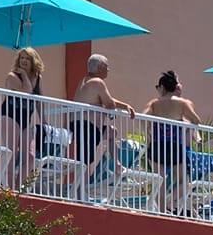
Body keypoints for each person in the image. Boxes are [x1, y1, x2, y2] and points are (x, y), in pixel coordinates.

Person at [143, 70, 202, 213]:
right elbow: (196, 120)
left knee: (160, 181)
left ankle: (162, 211)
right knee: (184, 181)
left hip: (157, 146)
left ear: (163, 87)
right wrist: (184, 124)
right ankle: (170, 201)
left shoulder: (154, 103)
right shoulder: (182, 103)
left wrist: (149, 132)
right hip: (175, 147)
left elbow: (143, 117)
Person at [71, 54, 136, 173]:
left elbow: (106, 99)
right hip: (87, 126)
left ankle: (116, 164)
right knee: (85, 161)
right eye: (107, 66)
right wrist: (111, 108)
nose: (108, 69)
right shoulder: (98, 82)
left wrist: (125, 106)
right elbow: (110, 103)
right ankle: (81, 185)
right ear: (100, 67)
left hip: (79, 125)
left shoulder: (84, 81)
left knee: (112, 132)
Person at [0, 47, 43, 183]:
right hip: (10, 115)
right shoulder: (12, 76)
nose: (24, 61)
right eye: (22, 58)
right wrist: (23, 74)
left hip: (26, 119)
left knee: (30, 156)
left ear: (33, 61)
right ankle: (9, 189)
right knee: (11, 153)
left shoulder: (37, 78)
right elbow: (27, 91)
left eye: (27, 58)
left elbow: (38, 100)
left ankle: (19, 189)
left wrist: (43, 120)